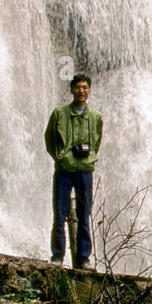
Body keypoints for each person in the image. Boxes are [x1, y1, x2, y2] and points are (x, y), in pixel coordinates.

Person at [44, 74, 103, 269]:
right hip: (64, 170)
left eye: (85, 87)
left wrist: (88, 156)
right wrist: (60, 157)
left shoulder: (96, 117)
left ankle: (83, 259)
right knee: (59, 213)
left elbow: (97, 142)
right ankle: (57, 256)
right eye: (77, 87)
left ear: (89, 90)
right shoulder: (59, 114)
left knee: (84, 215)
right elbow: (49, 140)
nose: (81, 91)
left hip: (85, 170)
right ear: (71, 90)